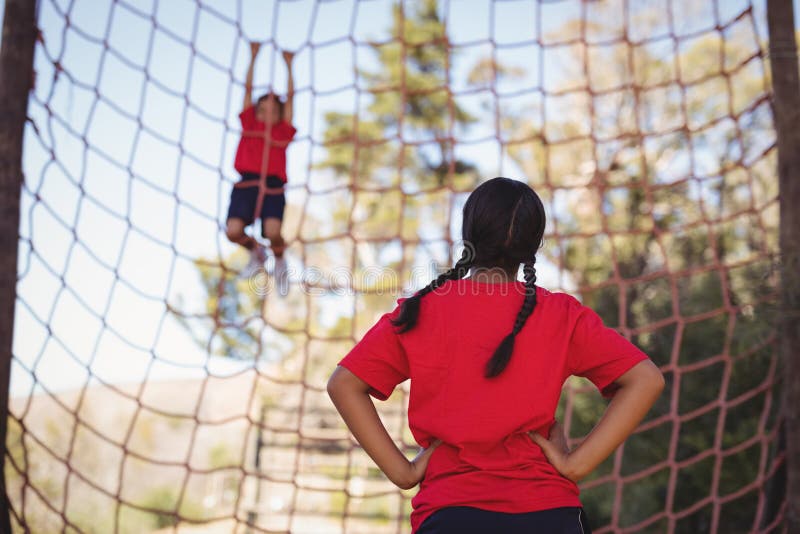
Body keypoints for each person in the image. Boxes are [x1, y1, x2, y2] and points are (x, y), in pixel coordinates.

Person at [327, 177, 665, 533]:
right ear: (533, 243)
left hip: (450, 515)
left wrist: (404, 471)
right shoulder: (562, 314)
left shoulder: (421, 310)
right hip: (547, 514)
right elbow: (646, 379)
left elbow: (344, 384)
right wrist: (577, 465)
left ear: (468, 234)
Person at [226, 42, 295, 295]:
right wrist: (253, 57)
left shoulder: (281, 132)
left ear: (280, 114)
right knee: (233, 231)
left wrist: (289, 66)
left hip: (273, 184)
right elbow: (246, 90)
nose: (267, 114)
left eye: (274, 110)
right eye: (262, 109)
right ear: (256, 111)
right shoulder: (249, 124)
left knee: (273, 231)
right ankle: (256, 252)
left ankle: (279, 259)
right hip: (247, 182)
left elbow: (291, 101)